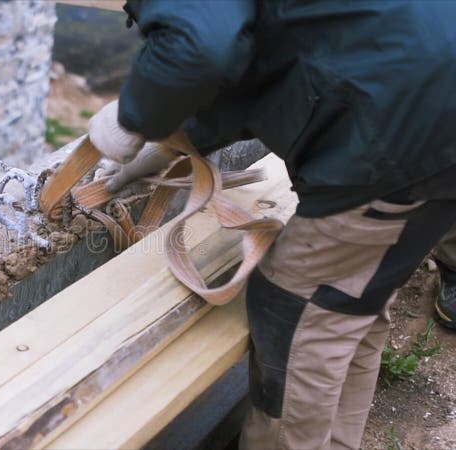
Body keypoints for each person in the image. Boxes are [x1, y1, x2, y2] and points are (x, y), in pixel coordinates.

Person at [86, 1, 456, 448]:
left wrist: (133, 116)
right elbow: (265, 58)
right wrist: (173, 141)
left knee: (296, 308)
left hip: (404, 128)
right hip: (430, 103)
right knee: (344, 303)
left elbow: (199, 48)